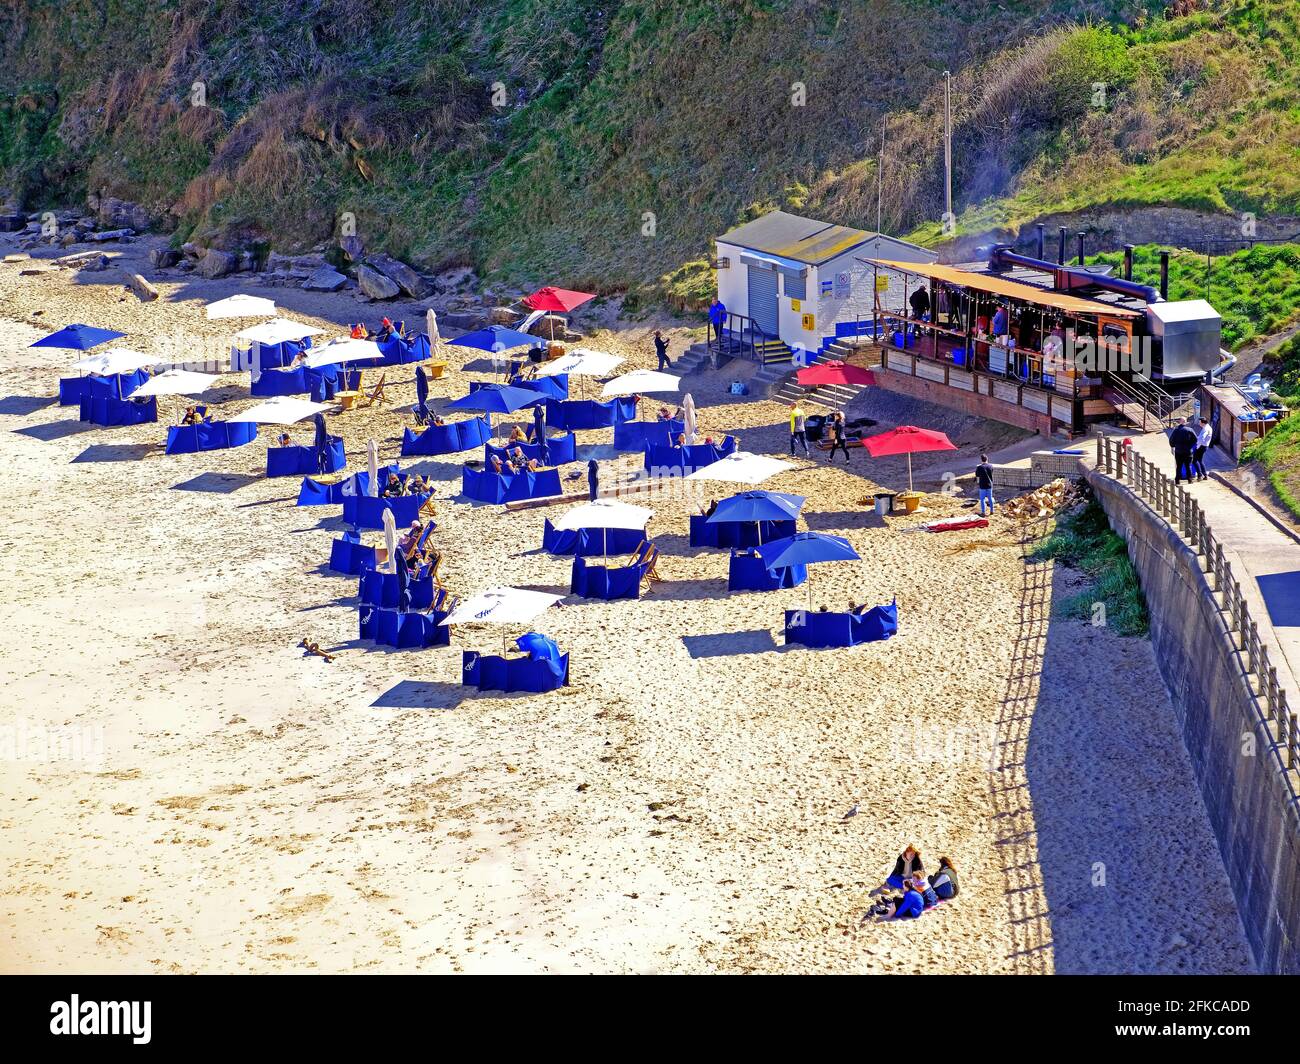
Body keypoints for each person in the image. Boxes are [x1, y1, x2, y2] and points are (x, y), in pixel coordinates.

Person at [1169, 416, 1198, 484]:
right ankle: (1189, 480)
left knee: (1179, 466)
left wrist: (1173, 446)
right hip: (1188, 451)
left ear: (1179, 422)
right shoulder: (1190, 430)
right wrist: (1190, 445)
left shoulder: (1176, 430)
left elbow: (1171, 440)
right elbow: (1195, 439)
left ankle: (1177, 480)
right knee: (1188, 466)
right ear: (1185, 422)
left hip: (1178, 451)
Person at [1193, 416, 1212, 481]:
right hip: (1204, 446)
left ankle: (1200, 475)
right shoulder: (1207, 427)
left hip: (1201, 446)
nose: (1199, 423)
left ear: (1202, 422)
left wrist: (1197, 446)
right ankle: (1205, 475)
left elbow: (1202, 438)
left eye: (1199, 422)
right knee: (1200, 460)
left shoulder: (1205, 429)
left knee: (1194, 461)